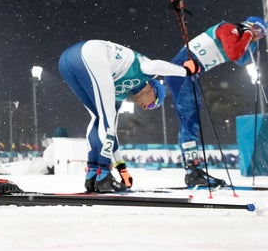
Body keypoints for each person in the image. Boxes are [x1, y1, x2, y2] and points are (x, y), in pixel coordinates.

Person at [58, 39, 198, 193]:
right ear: (153, 90)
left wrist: (121, 168)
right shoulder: (146, 73)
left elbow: (111, 132)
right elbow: (156, 64)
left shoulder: (120, 94)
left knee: (98, 118)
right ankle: (103, 177)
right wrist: (185, 71)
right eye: (153, 104)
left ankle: (92, 174)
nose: (147, 108)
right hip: (91, 53)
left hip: (67, 62)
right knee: (106, 116)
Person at [164, 16, 267, 187]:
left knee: (191, 123)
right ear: (251, 26)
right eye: (259, 32)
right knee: (190, 123)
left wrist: (251, 41)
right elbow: (234, 53)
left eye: (262, 36)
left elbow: (240, 59)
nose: (259, 37)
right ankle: (192, 171)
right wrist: (249, 35)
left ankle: (193, 170)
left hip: (187, 74)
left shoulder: (239, 36)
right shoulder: (227, 28)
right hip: (180, 73)